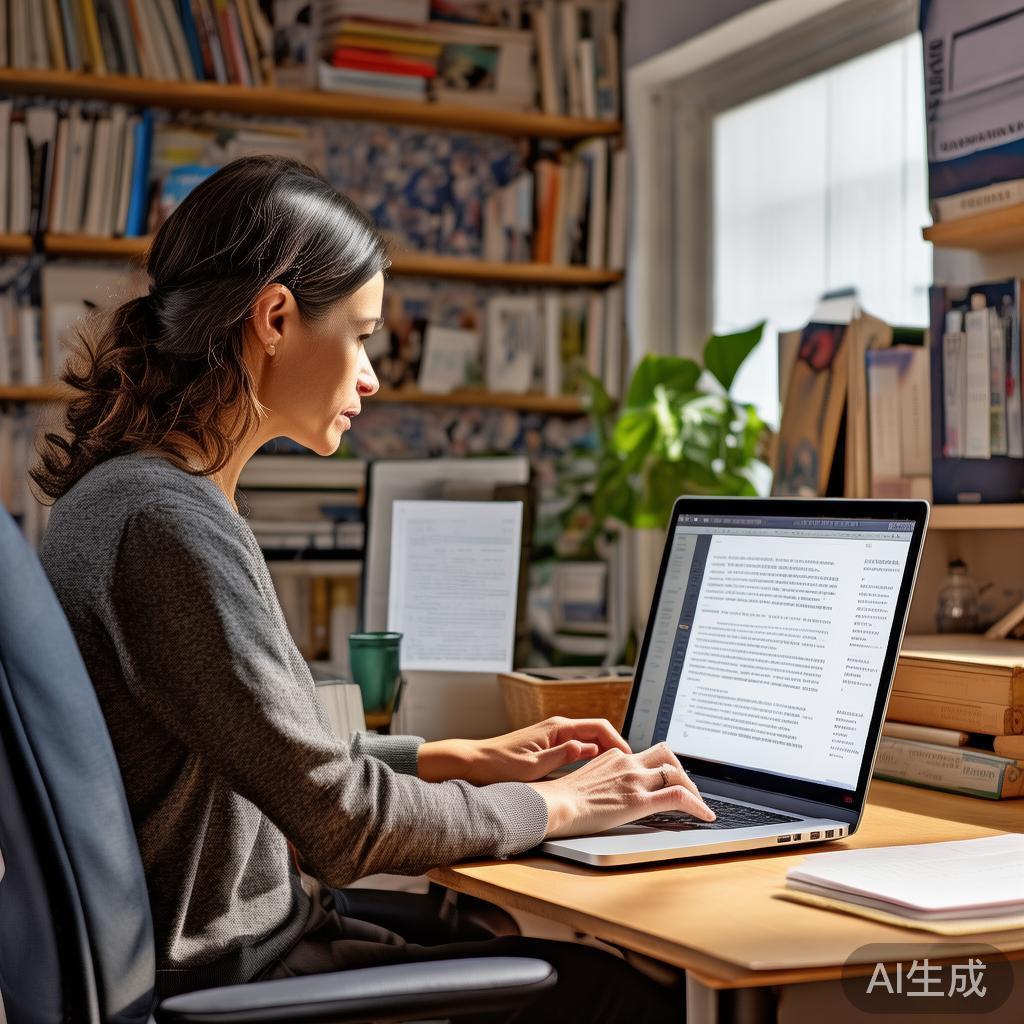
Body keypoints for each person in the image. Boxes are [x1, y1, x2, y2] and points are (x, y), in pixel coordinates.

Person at [34, 156, 715, 1021]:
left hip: (241, 942)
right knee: (621, 997)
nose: (371, 375)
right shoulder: (166, 526)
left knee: (507, 933)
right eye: (360, 334)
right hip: (236, 974)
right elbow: (342, 826)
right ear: (274, 317)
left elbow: (266, 751)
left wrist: (462, 758)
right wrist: (558, 802)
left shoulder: (132, 499)